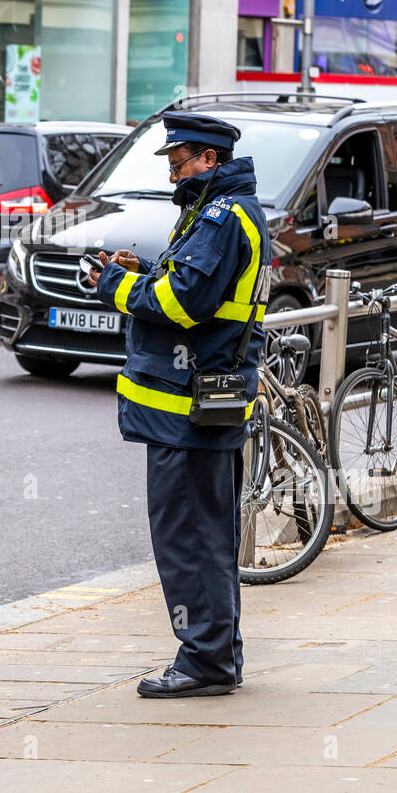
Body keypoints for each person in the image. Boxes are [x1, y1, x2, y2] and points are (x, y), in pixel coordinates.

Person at [89, 111, 271, 698]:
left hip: (186, 410)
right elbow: (194, 288)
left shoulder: (221, 216)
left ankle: (204, 664)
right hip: (192, 408)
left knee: (189, 540)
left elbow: (183, 305)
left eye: (177, 163)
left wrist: (116, 288)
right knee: (205, 537)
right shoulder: (215, 211)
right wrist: (145, 270)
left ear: (208, 159)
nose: (171, 176)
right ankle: (219, 656)